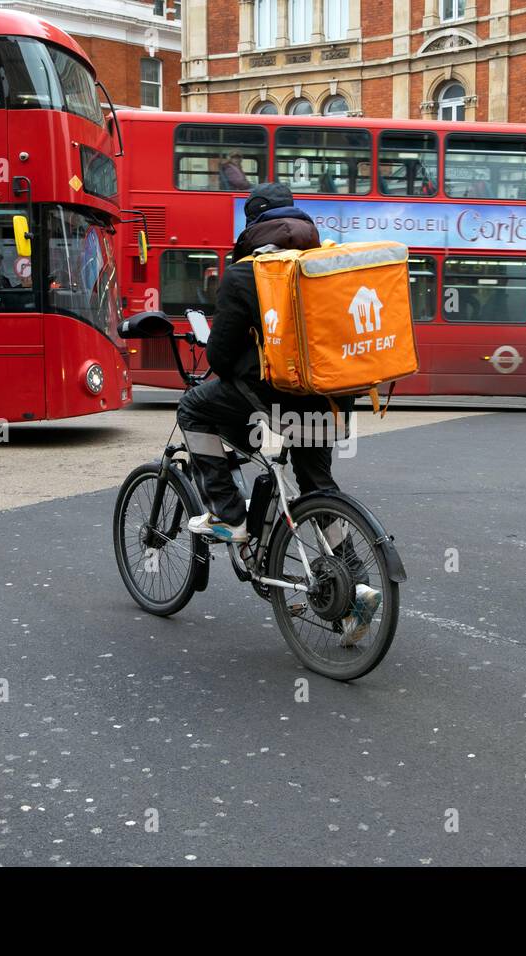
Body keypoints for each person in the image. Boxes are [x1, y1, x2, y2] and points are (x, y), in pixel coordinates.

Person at [175, 183, 379, 642]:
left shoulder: (247, 273)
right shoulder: (326, 265)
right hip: (330, 401)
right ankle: (361, 583)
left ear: (253, 227)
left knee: (194, 409)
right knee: (318, 485)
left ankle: (230, 516)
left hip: (272, 400)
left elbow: (222, 360)